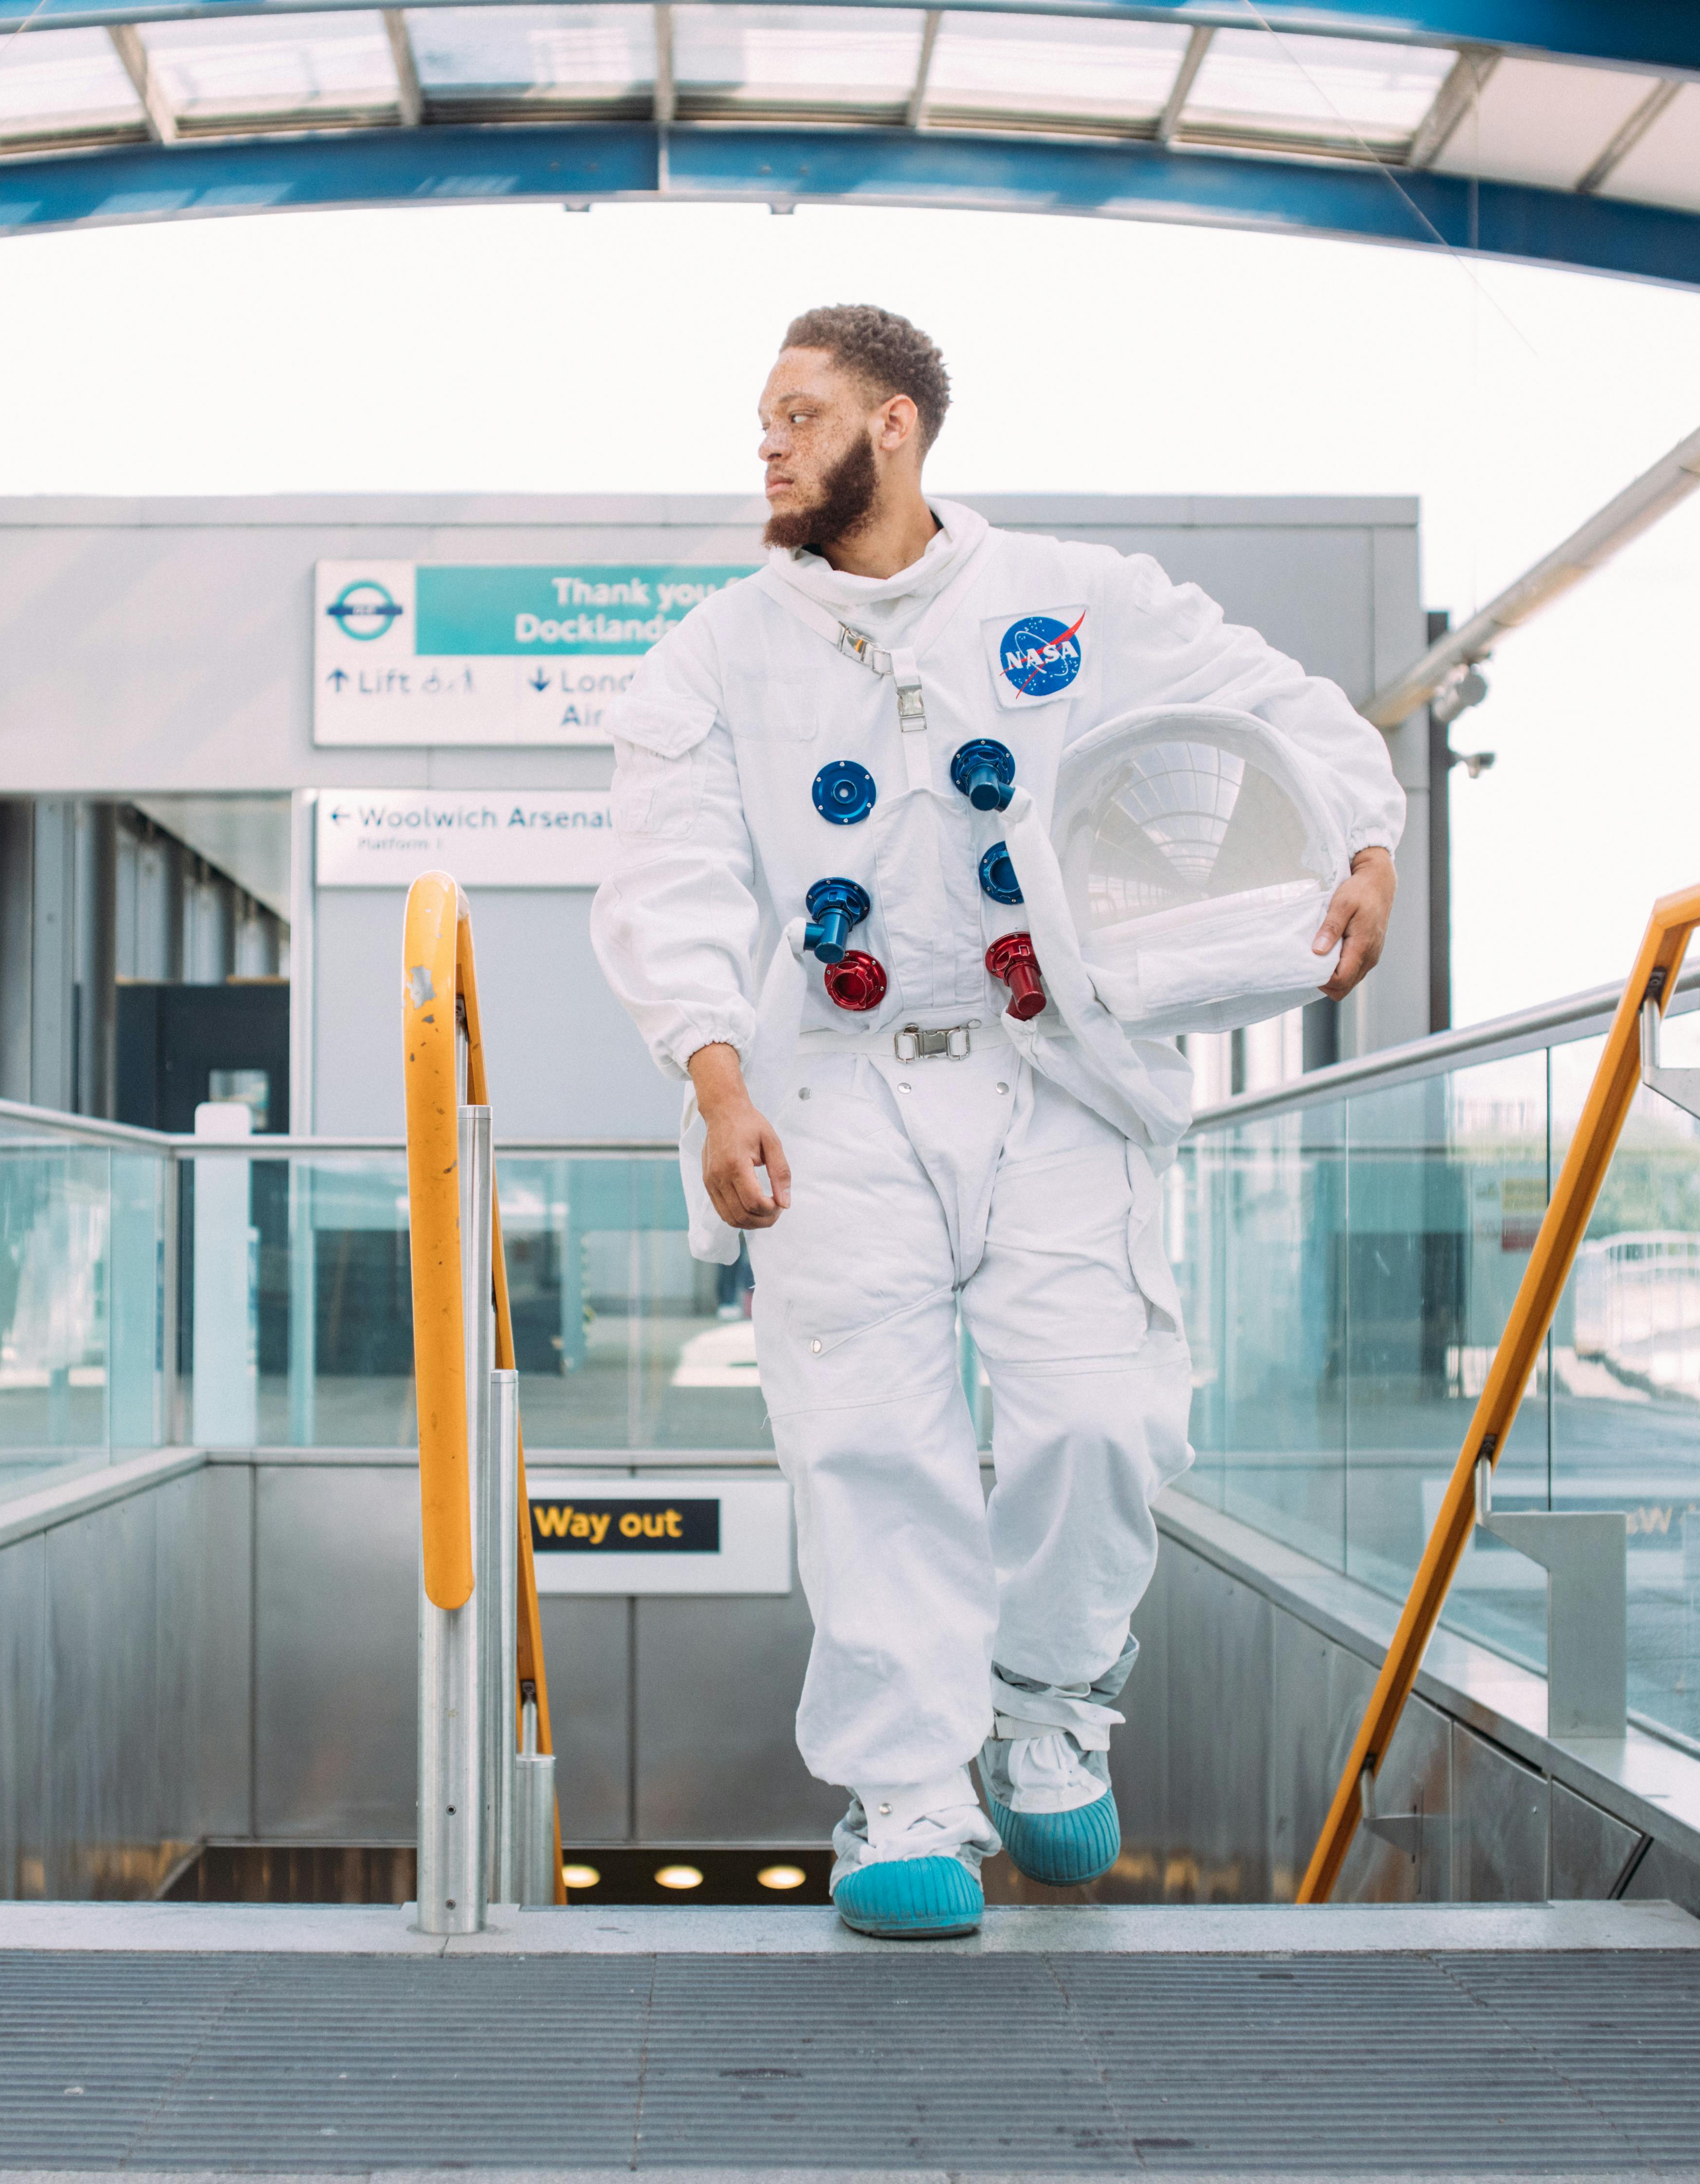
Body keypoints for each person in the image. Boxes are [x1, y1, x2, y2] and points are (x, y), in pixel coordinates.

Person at [589, 305, 1405, 1937]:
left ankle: (1048, 1704)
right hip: (832, 1085)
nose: (768, 445)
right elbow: (668, 873)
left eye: (800, 414)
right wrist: (715, 1076)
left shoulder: (1073, 599)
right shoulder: (715, 654)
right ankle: (905, 1792)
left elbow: (1281, 705)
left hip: (1055, 1072)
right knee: (864, 1442)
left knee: (1100, 1417)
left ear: (893, 425)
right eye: (764, 418)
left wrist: (1368, 843)